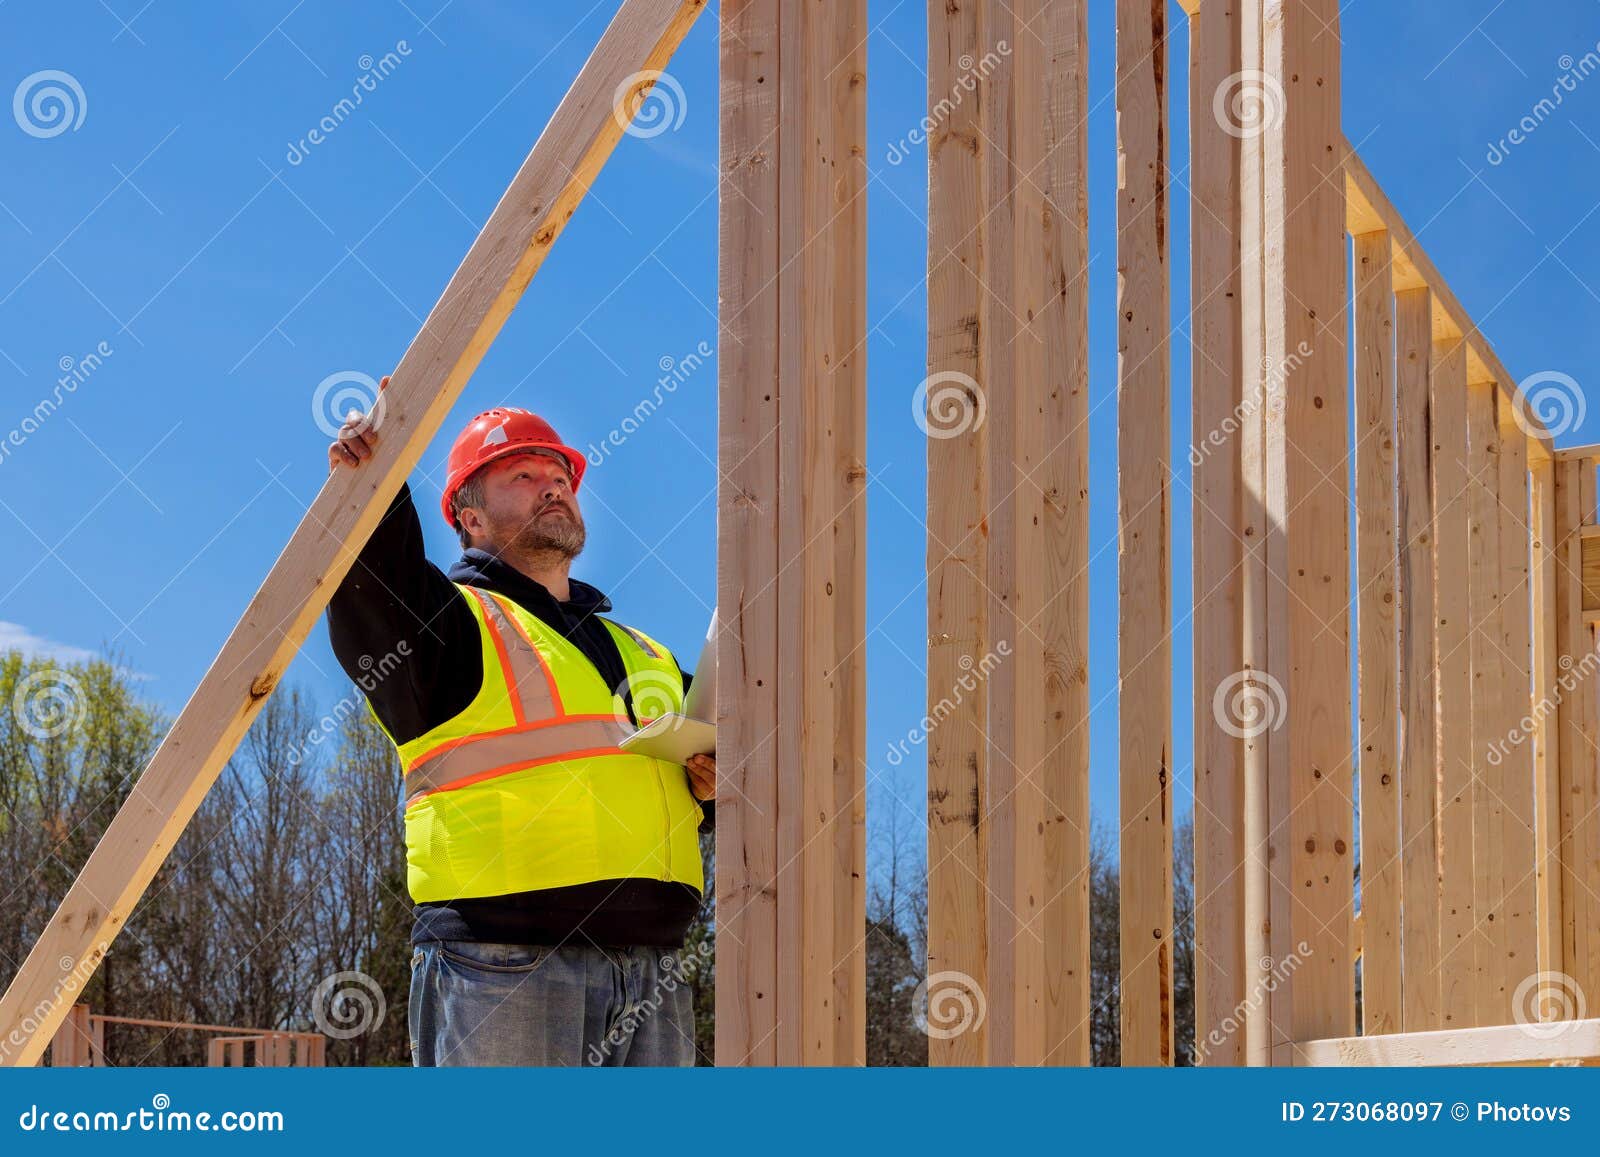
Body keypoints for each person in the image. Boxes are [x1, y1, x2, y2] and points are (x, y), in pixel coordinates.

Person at [325, 384, 714, 1066]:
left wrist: (711, 788)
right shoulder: (448, 629)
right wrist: (371, 484)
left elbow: (689, 791)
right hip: (504, 964)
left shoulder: (645, 655)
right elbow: (374, 587)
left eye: (560, 476)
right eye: (524, 476)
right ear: (469, 518)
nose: (553, 487)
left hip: (652, 967)